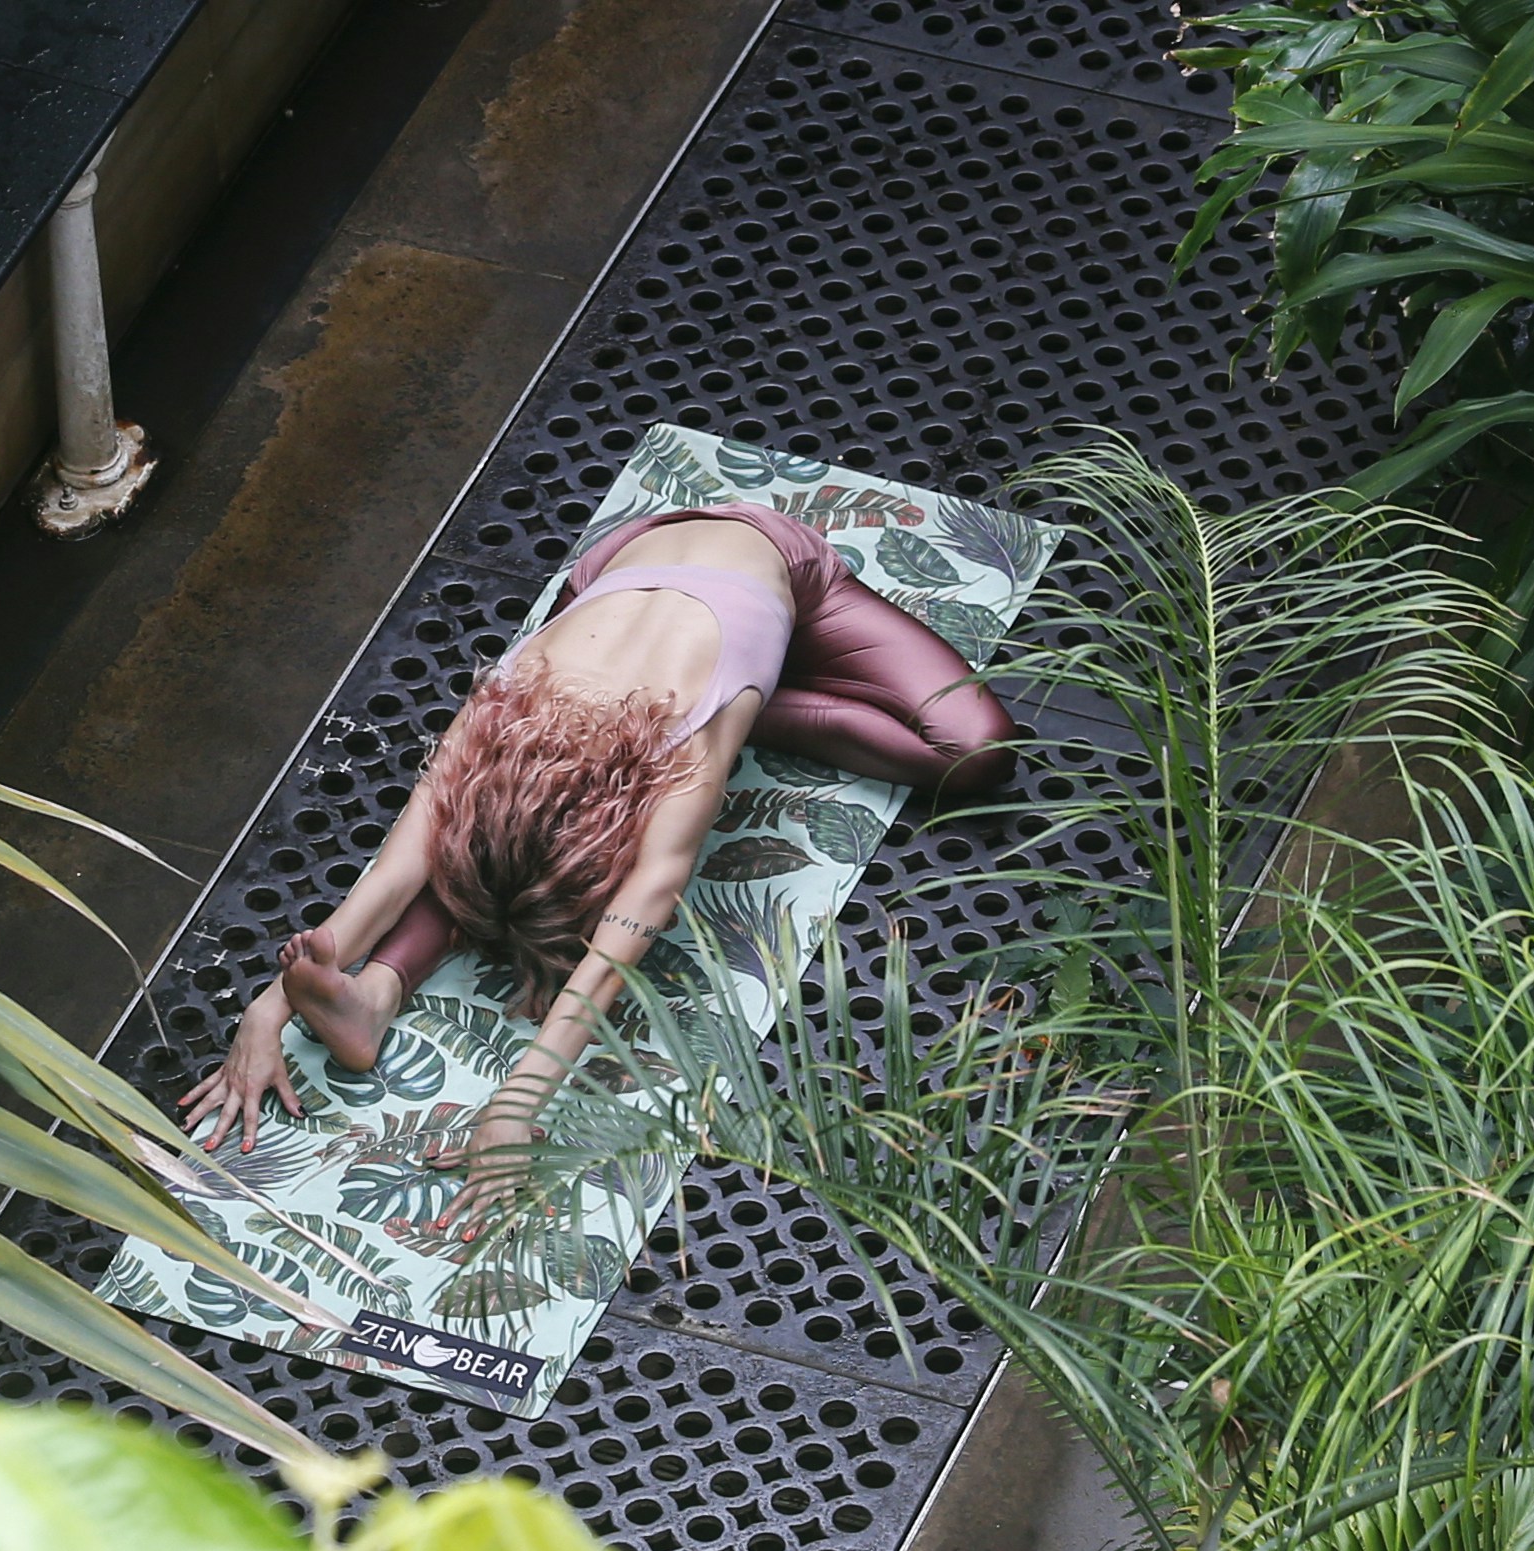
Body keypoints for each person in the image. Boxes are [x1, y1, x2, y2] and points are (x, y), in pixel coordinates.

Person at [180, 501, 1017, 1211]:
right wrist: (272, 1006)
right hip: (620, 573)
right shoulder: (500, 712)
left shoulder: (676, 756)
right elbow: (404, 865)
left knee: (972, 752)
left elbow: (628, 927)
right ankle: (367, 995)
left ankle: (755, 705)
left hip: (757, 559)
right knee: (496, 857)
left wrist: (519, 1097)